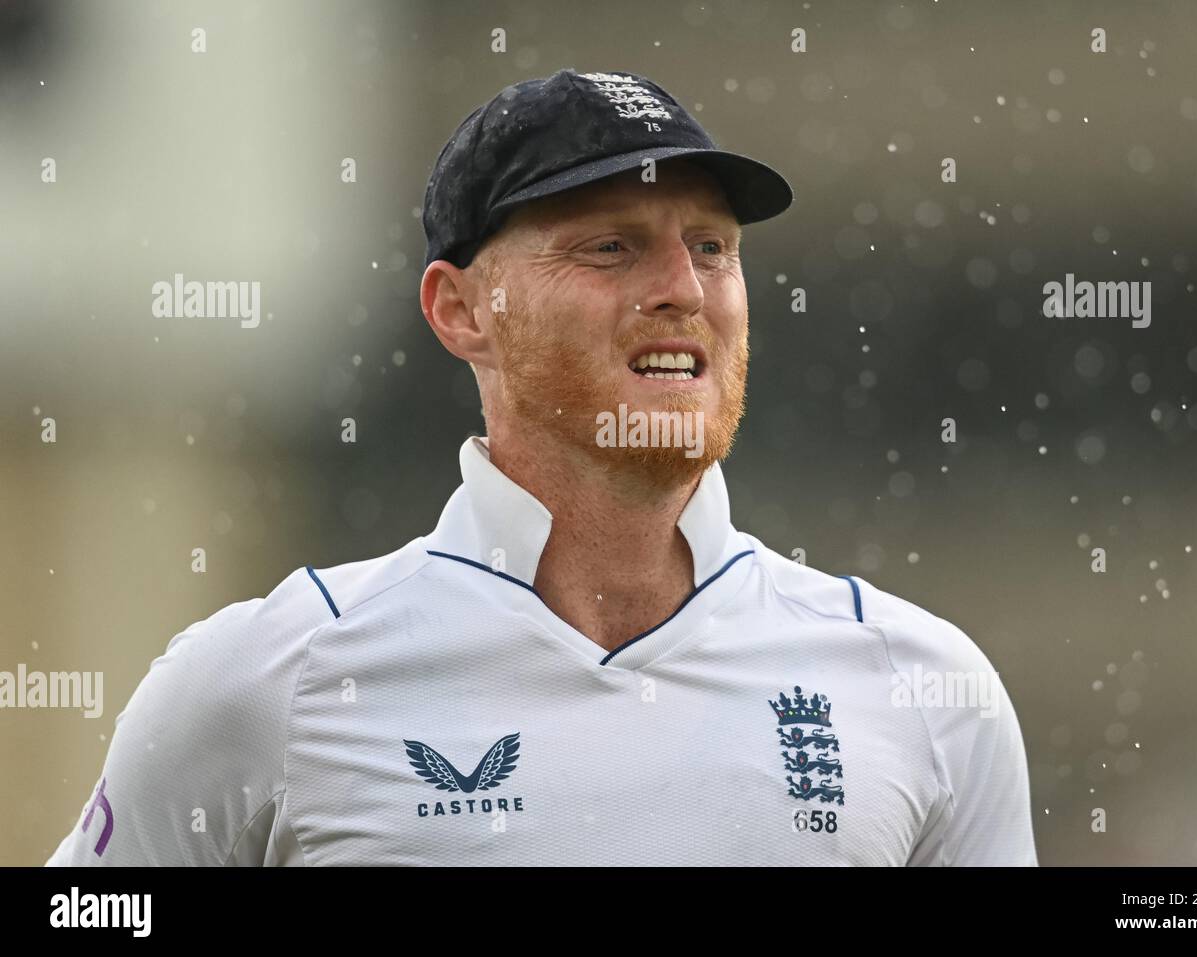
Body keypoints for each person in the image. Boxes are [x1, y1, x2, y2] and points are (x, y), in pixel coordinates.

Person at [47, 69, 1036, 866]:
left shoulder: (919, 684)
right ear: (460, 311)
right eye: (611, 247)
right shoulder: (268, 679)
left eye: (711, 247)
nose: (682, 290)